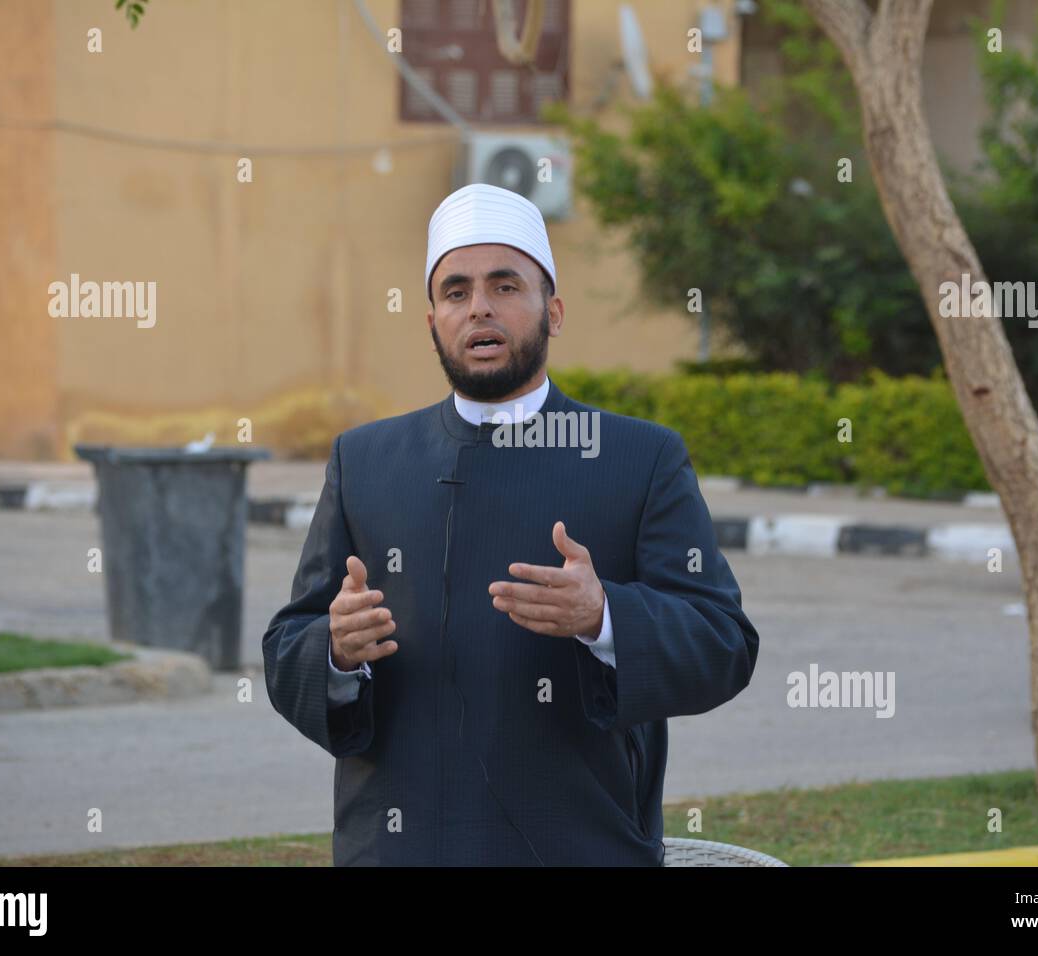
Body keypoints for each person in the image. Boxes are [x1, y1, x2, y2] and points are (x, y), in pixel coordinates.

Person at [262, 182, 759, 866]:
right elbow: (288, 645)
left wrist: (605, 616)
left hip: (580, 848)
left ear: (553, 312)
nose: (480, 307)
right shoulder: (366, 460)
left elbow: (723, 644)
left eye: (505, 285)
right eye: (456, 291)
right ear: (432, 321)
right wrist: (336, 650)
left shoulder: (639, 457)